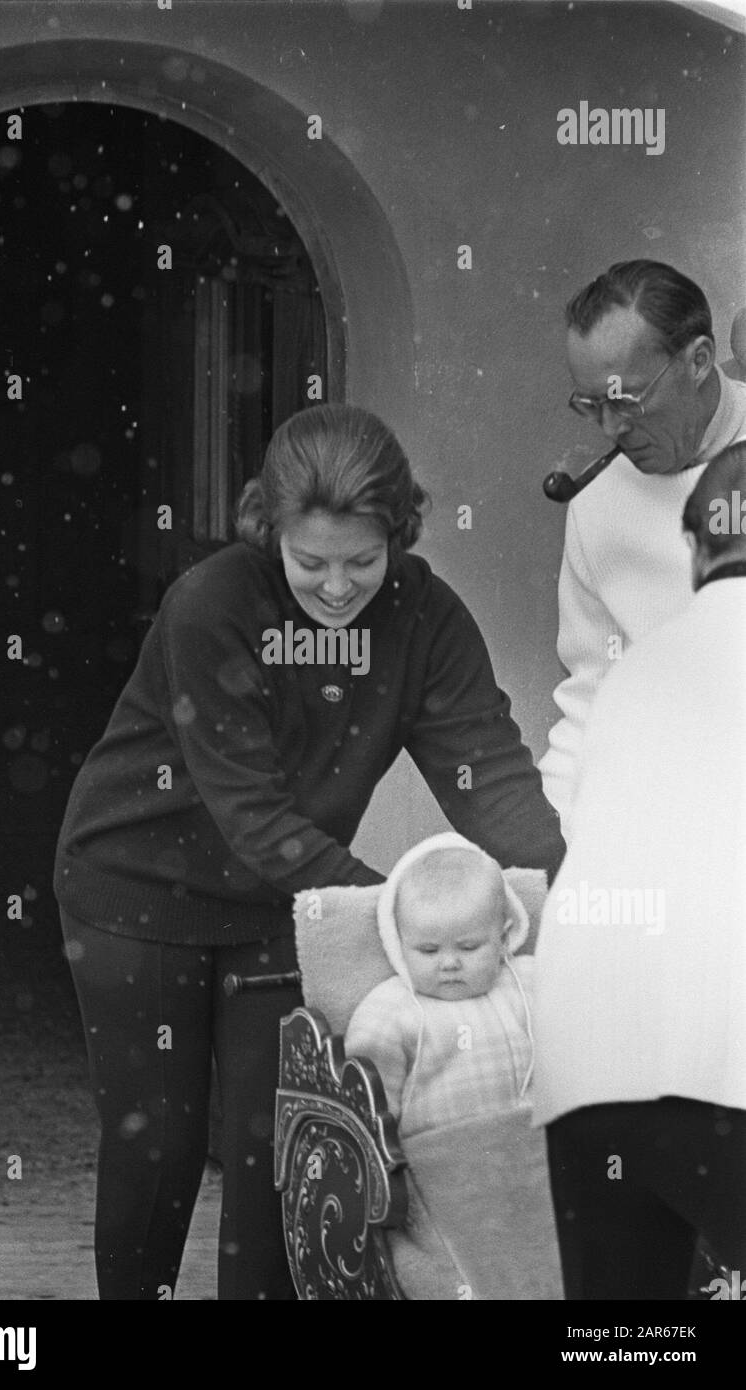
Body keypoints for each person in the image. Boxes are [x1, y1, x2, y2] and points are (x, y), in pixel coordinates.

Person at [54, 402, 565, 1301]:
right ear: (269, 530)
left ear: (398, 536)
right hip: (136, 888)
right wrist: (407, 908)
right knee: (158, 1140)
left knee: (283, 1142)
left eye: (363, 562)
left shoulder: (426, 619)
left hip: (284, 903)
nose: (336, 587)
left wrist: (561, 894)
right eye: (310, 562)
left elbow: (488, 774)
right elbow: (252, 814)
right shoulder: (210, 603)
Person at [533, 443, 746, 1300]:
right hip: (719, 1059)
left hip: (586, 1045)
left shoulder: (637, 671)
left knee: (626, 1336)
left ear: (694, 552)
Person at [538, 261, 746, 838]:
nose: (611, 427)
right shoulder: (595, 511)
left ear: (699, 360)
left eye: (626, 400)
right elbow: (590, 709)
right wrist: (549, 858)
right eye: (591, 404)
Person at [345, 833, 536, 1135]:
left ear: (502, 938)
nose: (449, 963)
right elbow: (368, 1106)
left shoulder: (529, 983)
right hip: (432, 1159)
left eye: (469, 947)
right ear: (399, 943)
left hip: (534, 1148)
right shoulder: (390, 1010)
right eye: (429, 950)